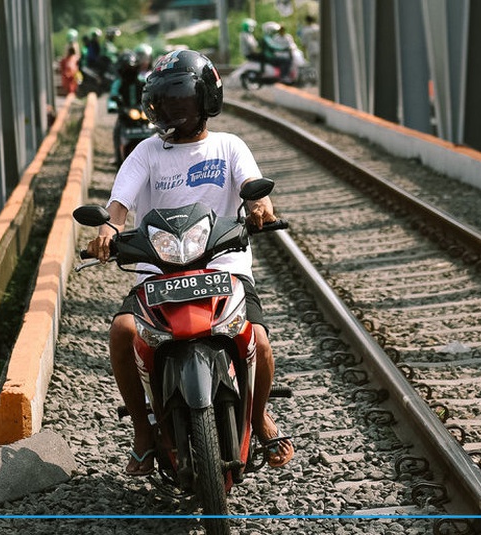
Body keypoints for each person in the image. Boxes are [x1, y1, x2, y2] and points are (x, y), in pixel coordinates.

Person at [86, 49, 295, 476]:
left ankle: (258, 419)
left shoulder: (229, 146)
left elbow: (254, 189)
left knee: (258, 337)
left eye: (180, 100)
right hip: (159, 272)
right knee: (122, 332)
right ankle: (144, 433)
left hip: (224, 268)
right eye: (164, 102)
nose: (172, 110)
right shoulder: (146, 152)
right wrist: (109, 230)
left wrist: (259, 207)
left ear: (206, 100)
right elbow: (120, 203)